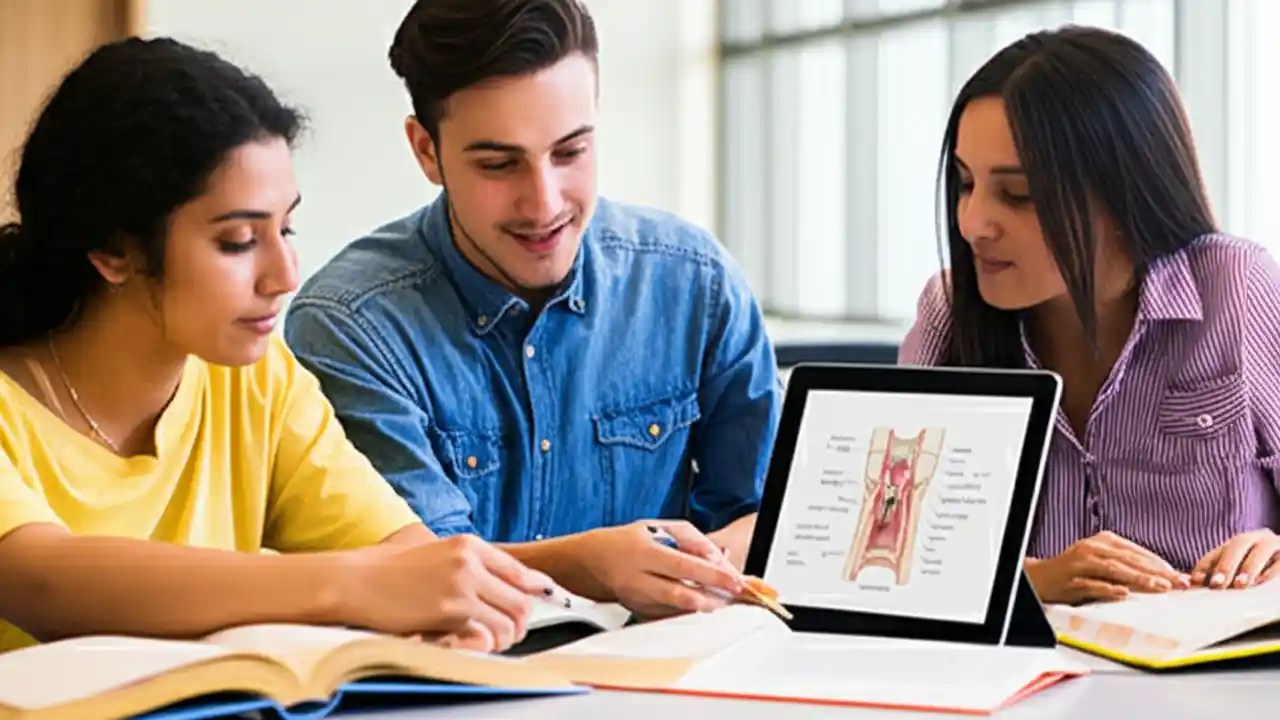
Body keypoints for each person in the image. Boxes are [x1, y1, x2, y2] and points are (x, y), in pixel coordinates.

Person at [0, 37, 558, 655]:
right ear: (115, 251)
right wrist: (355, 586)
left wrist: (452, 614)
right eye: (239, 240)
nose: (286, 275)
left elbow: (399, 554)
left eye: (285, 227)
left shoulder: (259, 379)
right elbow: (41, 581)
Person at [284, 0, 781, 618]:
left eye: (570, 153)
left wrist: (699, 569)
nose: (543, 203)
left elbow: (768, 516)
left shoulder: (693, 281)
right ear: (426, 151)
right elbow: (419, 572)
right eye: (499, 164)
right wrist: (595, 568)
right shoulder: (351, 324)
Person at [899, 25, 1280, 605]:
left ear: (1126, 192)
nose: (973, 223)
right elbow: (883, 556)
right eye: (965, 183)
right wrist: (1030, 581)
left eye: (1018, 194)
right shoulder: (948, 314)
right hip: (1022, 683)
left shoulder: (1237, 289)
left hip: (1215, 682)